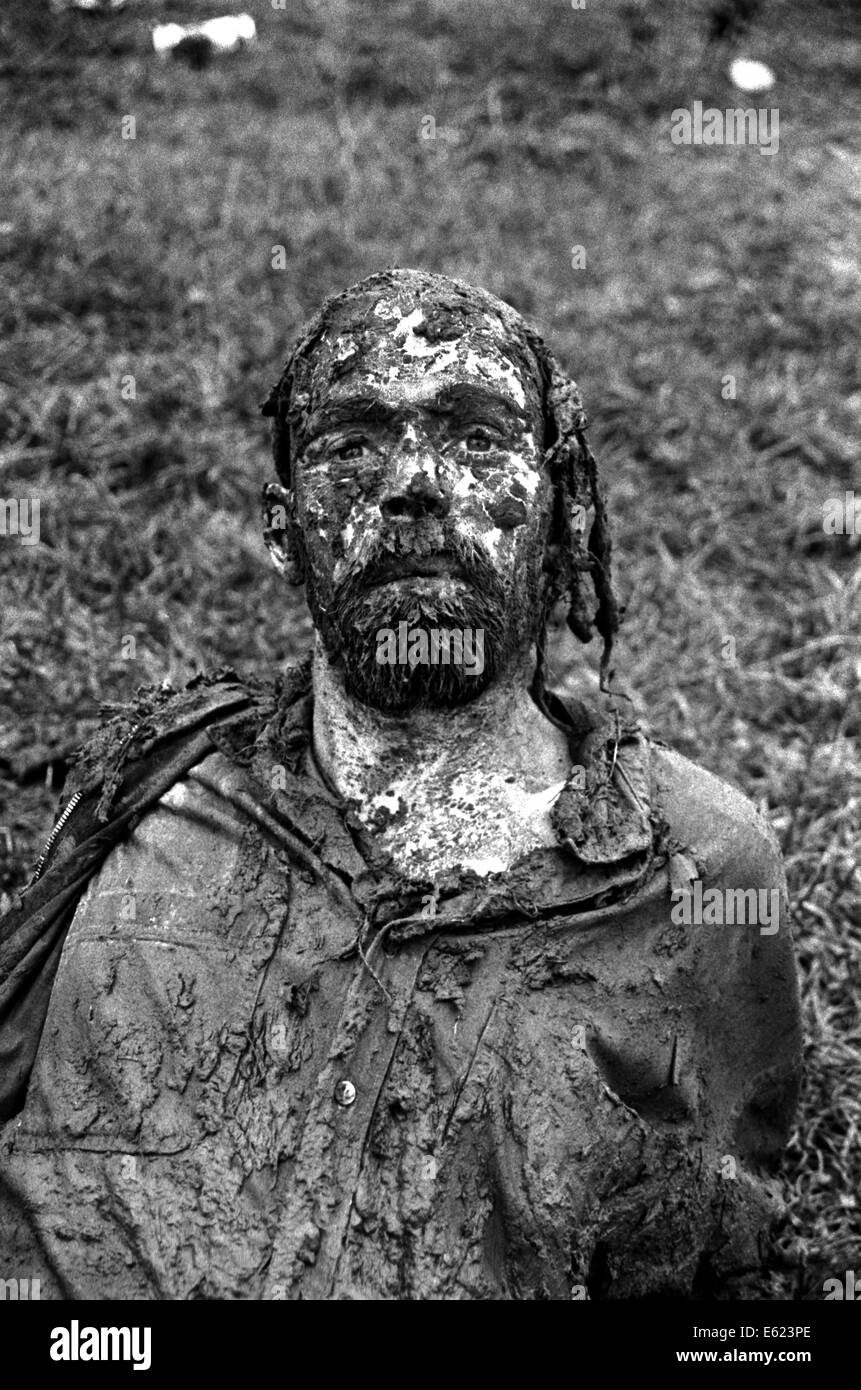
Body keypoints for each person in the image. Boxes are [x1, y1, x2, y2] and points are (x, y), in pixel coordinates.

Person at [0, 268, 801, 1299]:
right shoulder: (149, 794)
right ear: (284, 531)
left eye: (476, 437)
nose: (412, 481)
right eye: (351, 443)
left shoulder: (697, 872)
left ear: (560, 518)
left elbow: (725, 1258)